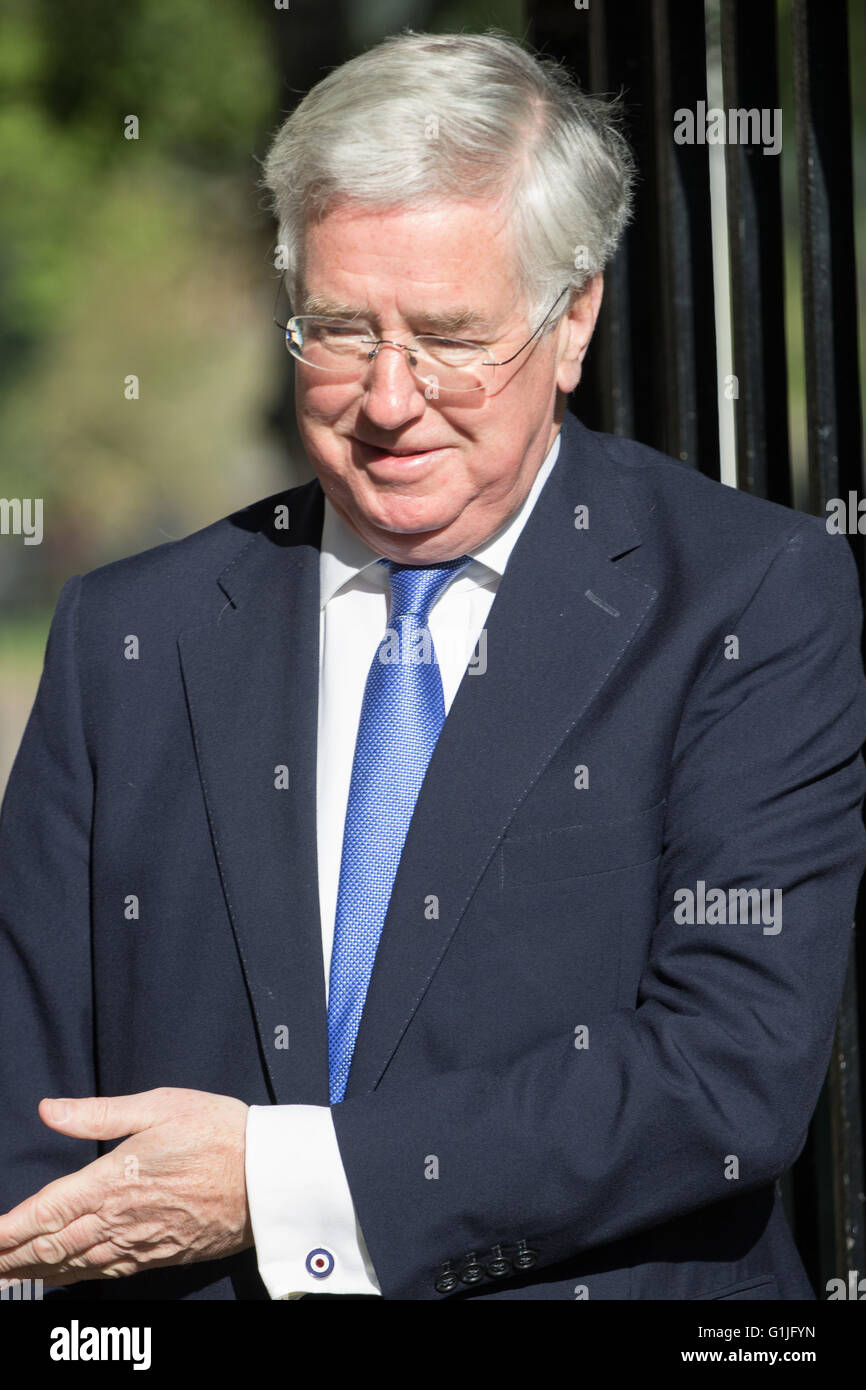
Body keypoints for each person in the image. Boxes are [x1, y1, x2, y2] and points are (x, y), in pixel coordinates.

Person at [0, 29, 864, 1303]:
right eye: (340, 330)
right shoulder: (126, 635)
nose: (389, 398)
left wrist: (273, 1185)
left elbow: (726, 1070)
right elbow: (29, 1109)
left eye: (452, 337)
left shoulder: (745, 598)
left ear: (573, 320)